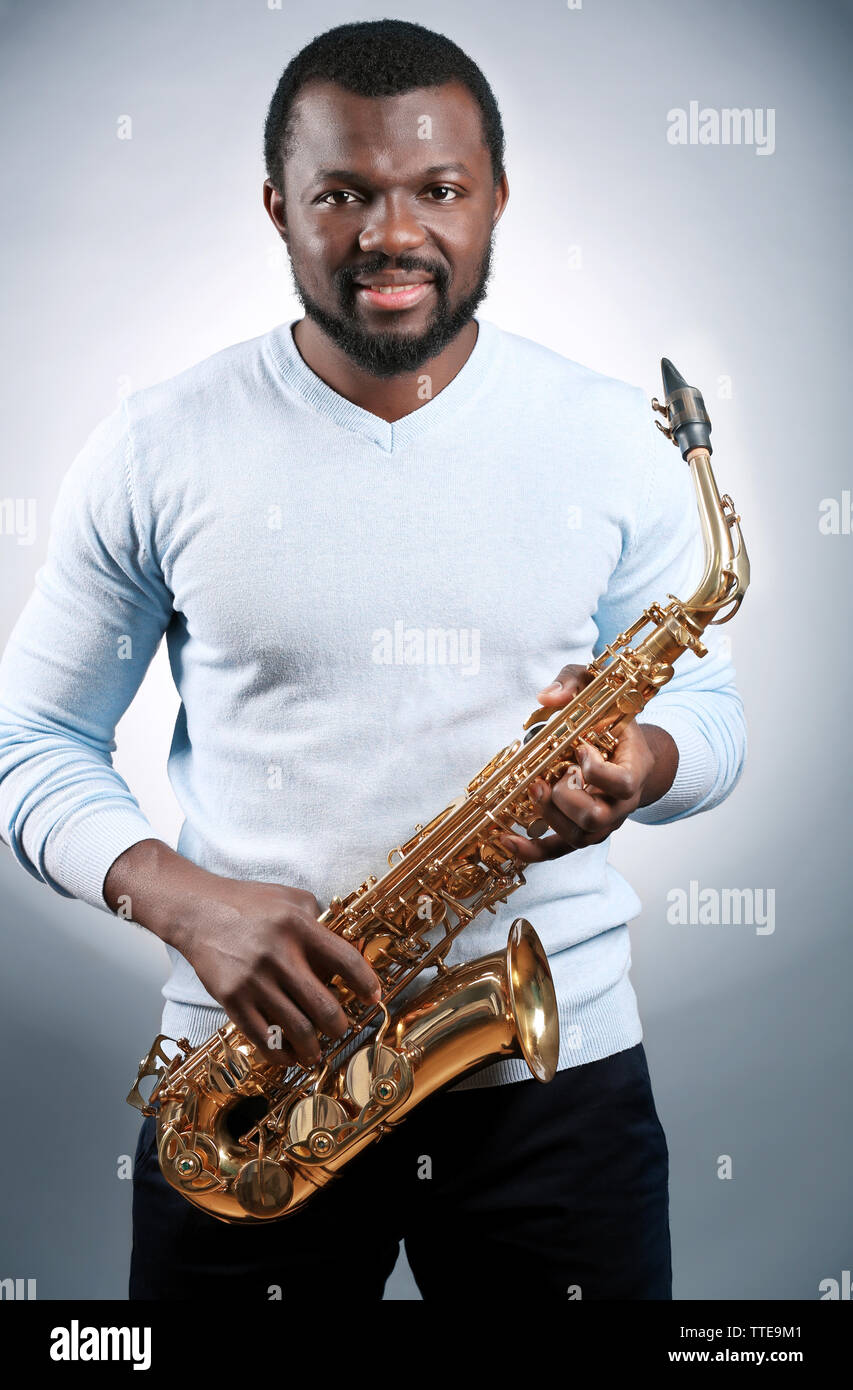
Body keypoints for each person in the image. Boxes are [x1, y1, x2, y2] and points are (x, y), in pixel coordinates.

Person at [0, 19, 746, 1301]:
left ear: (497, 198)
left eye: (438, 190)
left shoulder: (611, 438)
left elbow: (714, 720)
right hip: (244, 1083)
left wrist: (648, 757)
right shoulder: (156, 443)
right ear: (279, 205)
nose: (391, 234)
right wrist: (176, 895)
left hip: (553, 1089)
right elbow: (31, 745)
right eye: (343, 193)